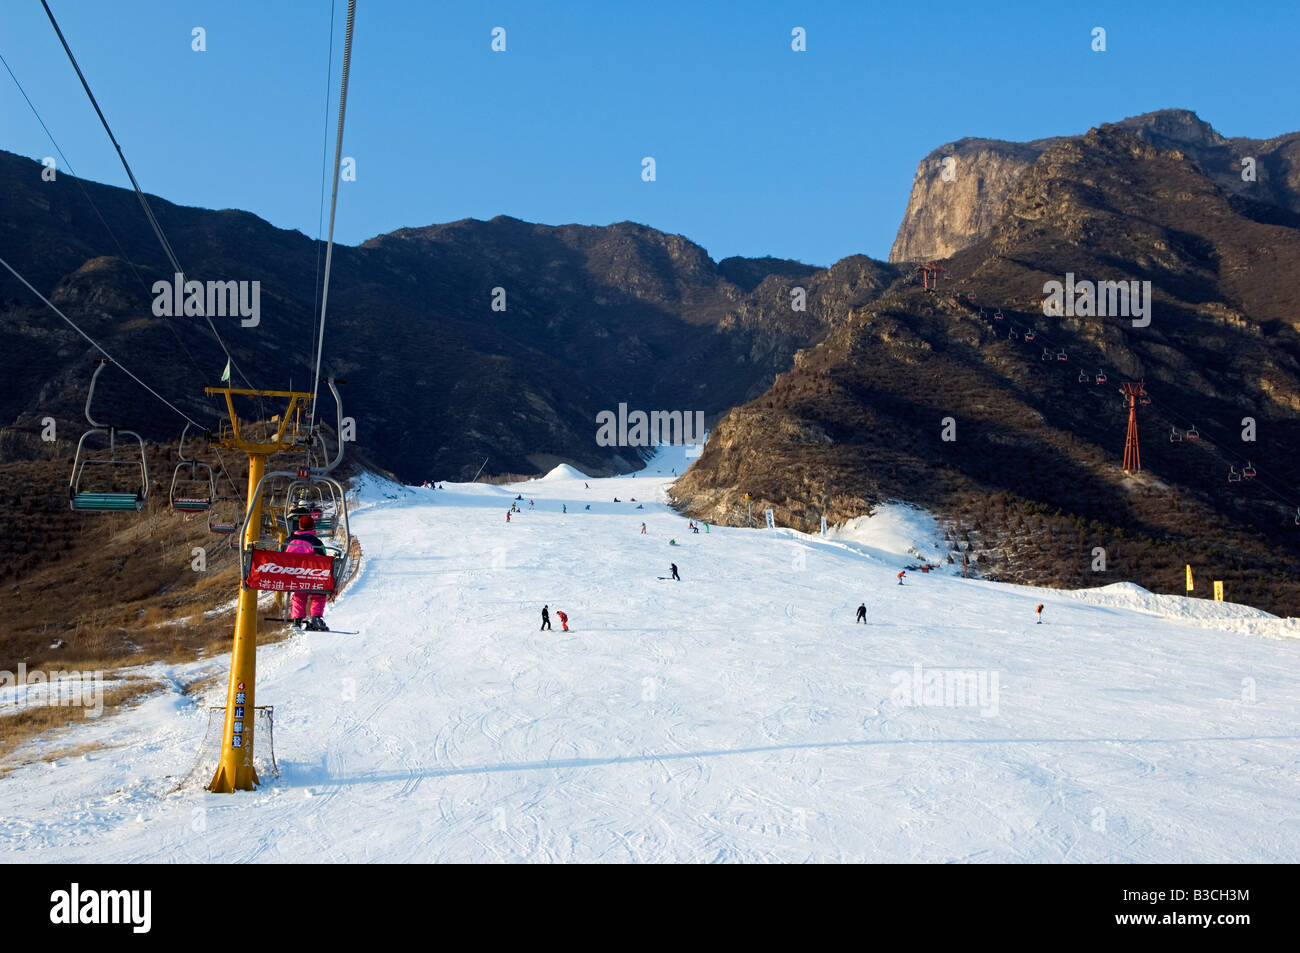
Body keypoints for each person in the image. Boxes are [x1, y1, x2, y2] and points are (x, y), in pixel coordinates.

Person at [284, 515, 329, 631]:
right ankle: (316, 618)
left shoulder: (289, 540)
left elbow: (280, 555)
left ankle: (297, 619)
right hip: (312, 576)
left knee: (299, 594)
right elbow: (324, 559)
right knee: (319, 593)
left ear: (299, 526)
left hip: (293, 576)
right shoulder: (316, 542)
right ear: (312, 526)